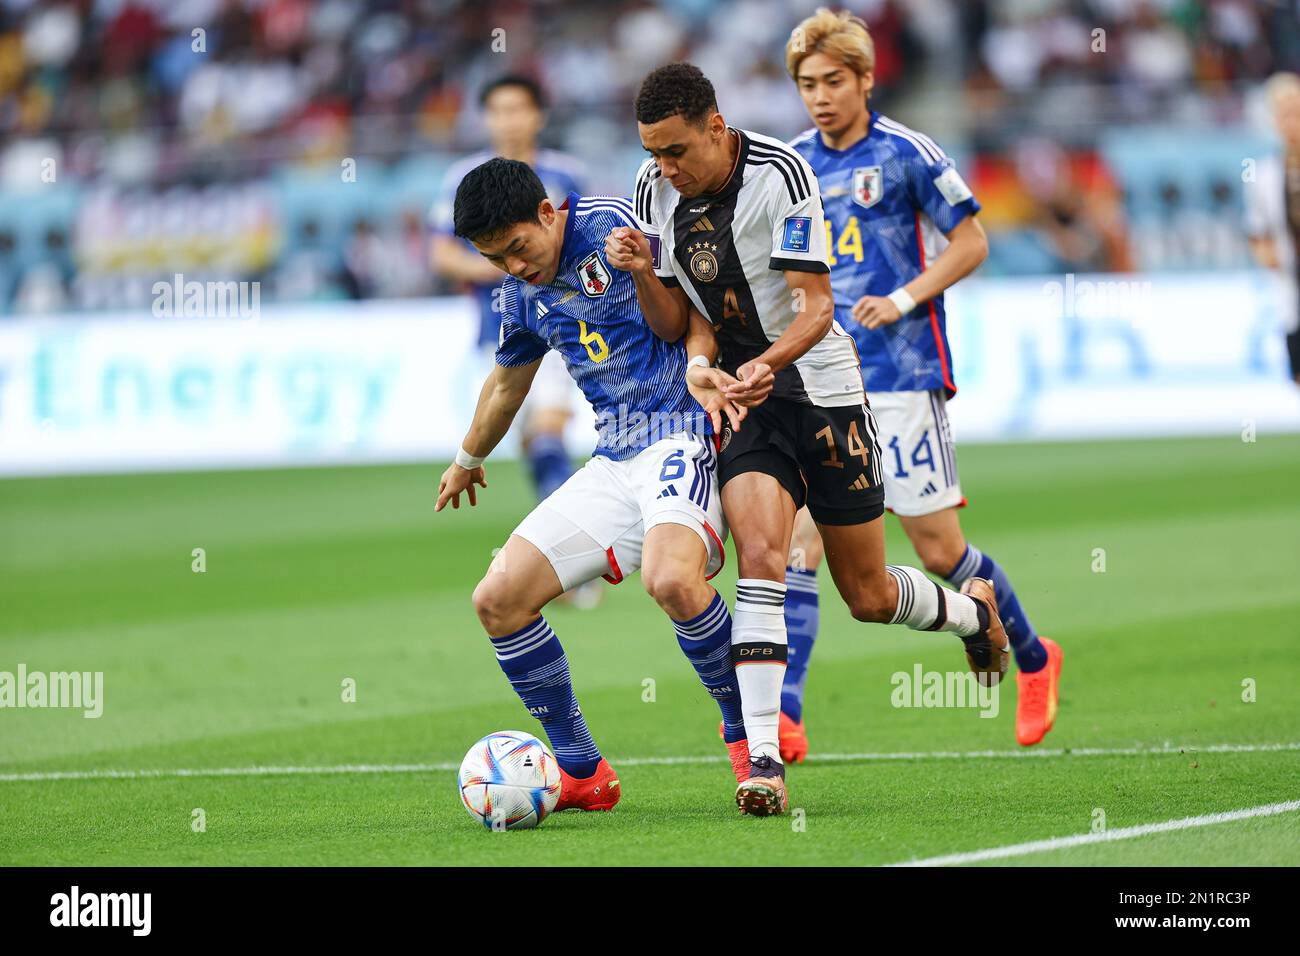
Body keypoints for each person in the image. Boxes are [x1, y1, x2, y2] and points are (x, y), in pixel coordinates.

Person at [606, 62, 1010, 817]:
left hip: (819, 390)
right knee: (762, 555)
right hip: (741, 400)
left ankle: (972, 615)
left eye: (676, 151)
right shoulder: (651, 190)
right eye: (653, 153)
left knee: (864, 592)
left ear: (716, 129)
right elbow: (680, 320)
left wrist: (764, 361)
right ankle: (763, 761)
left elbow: (818, 307)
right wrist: (696, 359)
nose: (664, 168)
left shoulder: (781, 173)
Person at [776, 8, 1063, 755]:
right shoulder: (794, 167)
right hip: (825, 379)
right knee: (800, 542)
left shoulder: (907, 152)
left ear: (866, 79)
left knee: (938, 552)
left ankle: (1034, 657)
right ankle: (786, 714)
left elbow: (971, 241)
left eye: (833, 81)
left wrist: (903, 297)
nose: (819, 96)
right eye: (807, 84)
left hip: (904, 371)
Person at [436, 158, 763, 811]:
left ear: (548, 213)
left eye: (519, 248)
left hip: (683, 430)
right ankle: (583, 770)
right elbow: (508, 383)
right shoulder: (516, 294)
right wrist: (469, 456)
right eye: (495, 258)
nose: (515, 267)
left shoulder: (615, 224)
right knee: (497, 598)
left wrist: (641, 267)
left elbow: (686, 319)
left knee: (671, 580)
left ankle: (748, 732)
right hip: (614, 458)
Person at [429, 76, 593, 543]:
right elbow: (441, 254)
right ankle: (568, 545)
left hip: (565, 318)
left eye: (517, 109)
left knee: (548, 431)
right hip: (500, 326)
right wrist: (509, 270)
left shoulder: (565, 173)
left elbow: (581, 233)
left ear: (538, 116)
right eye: (498, 111)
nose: (508, 120)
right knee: (530, 438)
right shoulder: (465, 180)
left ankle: (569, 548)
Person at [1246, 71, 1300, 386]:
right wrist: (1271, 258)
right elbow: (1258, 232)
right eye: (1283, 115)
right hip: (1292, 290)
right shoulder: (1264, 175)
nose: (1291, 123)